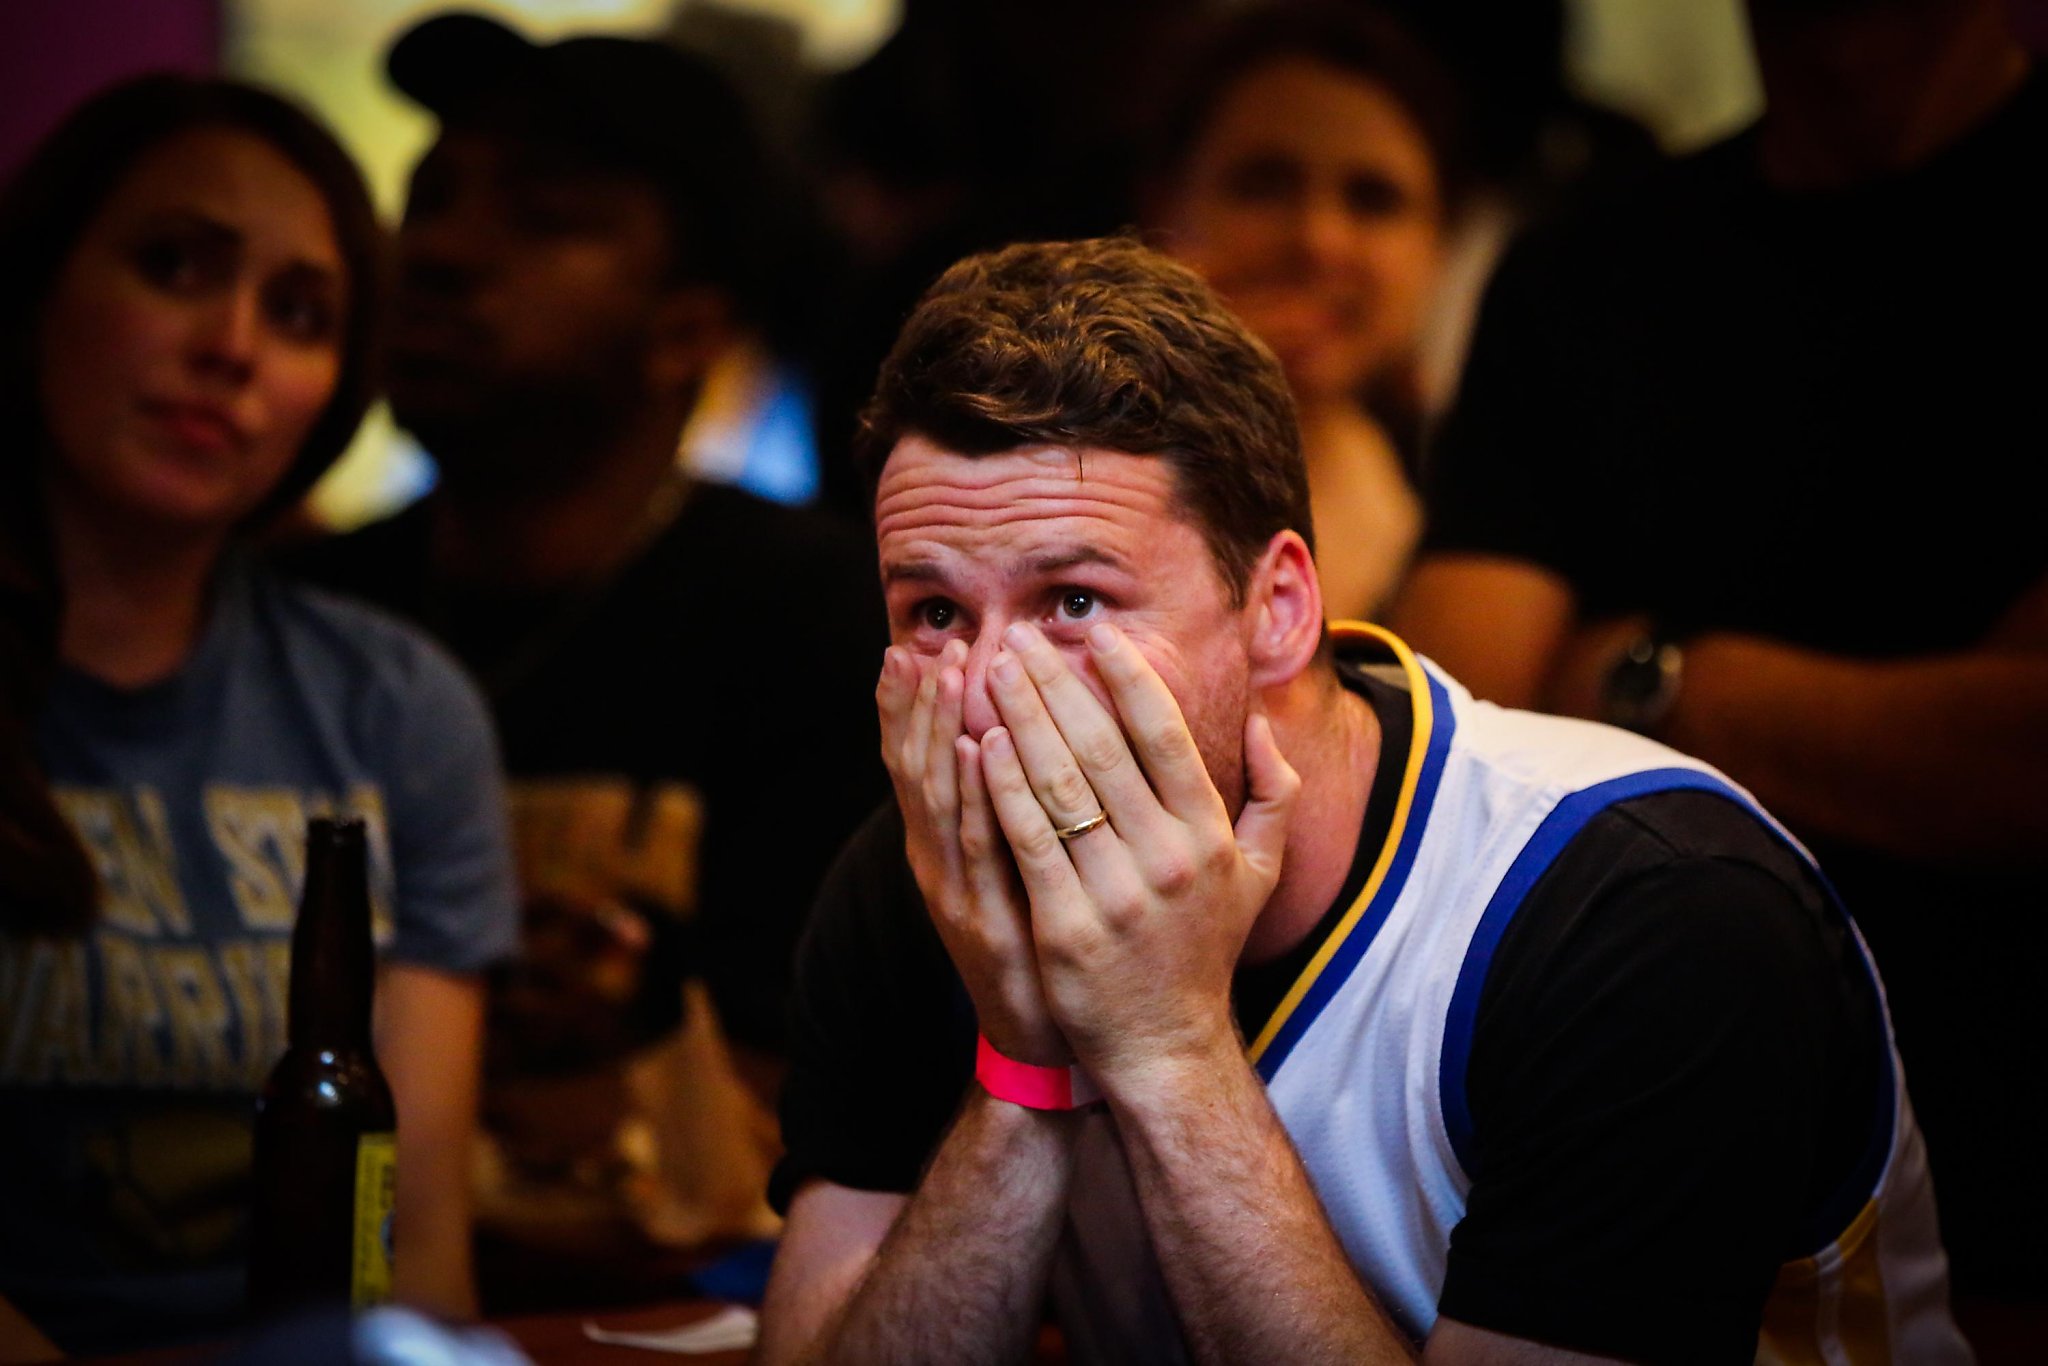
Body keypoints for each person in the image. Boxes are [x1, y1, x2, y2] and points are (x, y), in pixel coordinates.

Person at [751, 238, 1967, 1364]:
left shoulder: (1648, 911)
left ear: (1278, 607)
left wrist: (1167, 1046)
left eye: (1072, 601)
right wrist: (1023, 1064)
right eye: (935, 615)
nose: (984, 699)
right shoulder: (928, 872)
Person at [1388, 0, 2048, 1326]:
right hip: (1612, 1196)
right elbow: (1457, 738)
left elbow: (2021, 761)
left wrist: (1652, 677)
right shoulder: (1590, 273)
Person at [285, 14, 885, 1301]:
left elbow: (806, 1127)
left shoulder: (816, 625)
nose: (438, 252)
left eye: (544, 217)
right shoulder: (293, 611)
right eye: (429, 198)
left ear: (686, 331)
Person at [0, 76, 518, 1356]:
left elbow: (419, 1241)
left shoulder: (399, 708)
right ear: (37, 286)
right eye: (175, 266)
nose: (232, 345)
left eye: (298, 313)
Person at [1146, 1, 1463, 622]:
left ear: (1440, 248)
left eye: (1374, 199)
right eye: (1263, 183)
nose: (1318, 240)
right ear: (1163, 202)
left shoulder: (1479, 496)